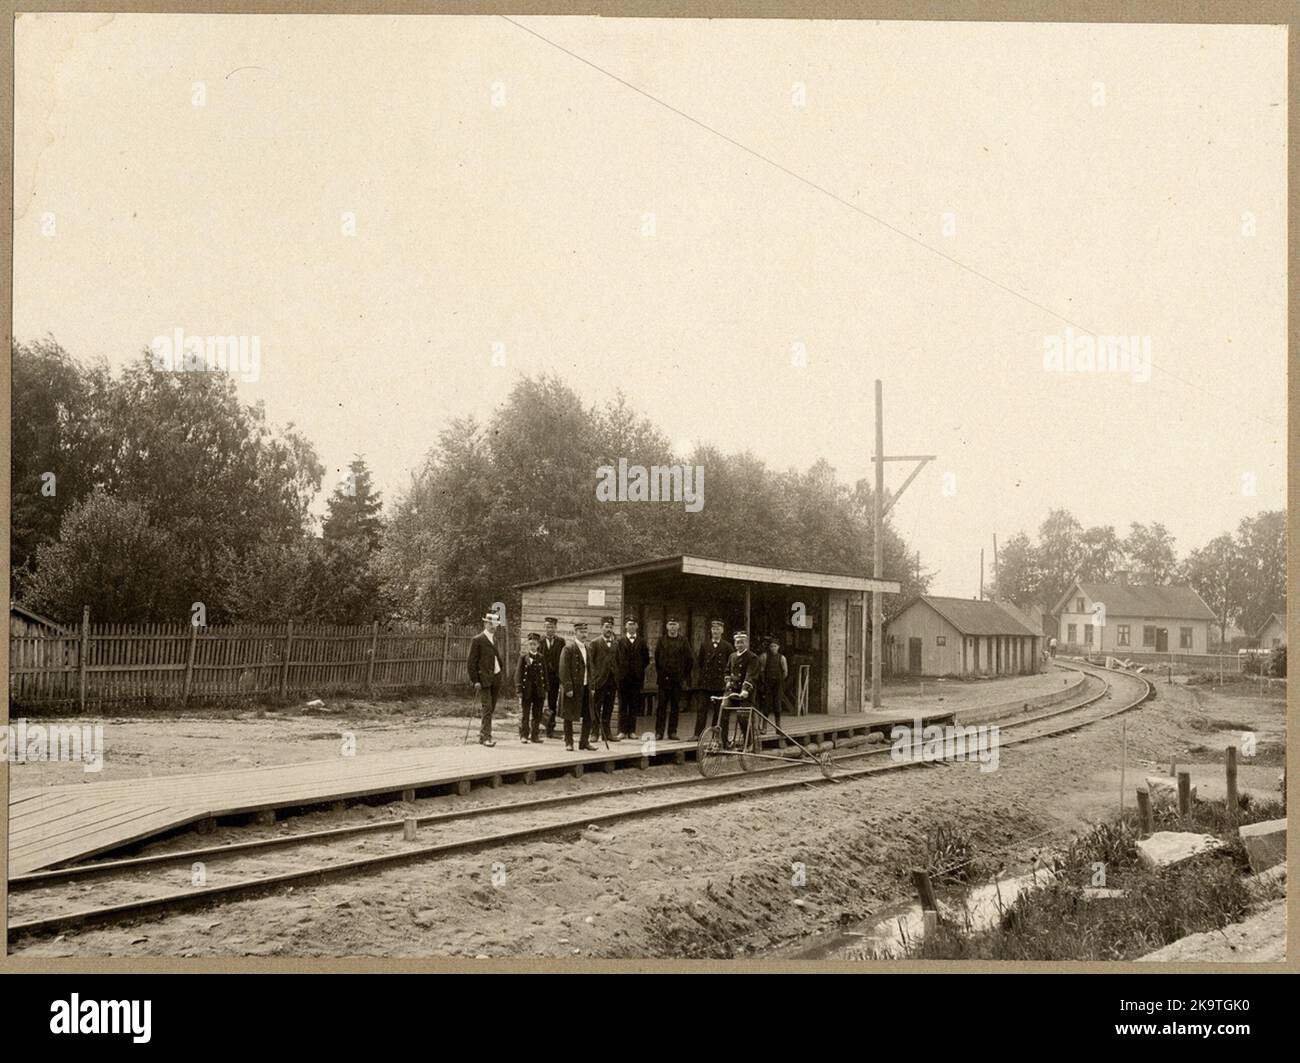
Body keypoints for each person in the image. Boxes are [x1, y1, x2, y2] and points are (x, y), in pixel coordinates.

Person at [466, 610, 506, 747]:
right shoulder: (477, 640)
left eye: (495, 624)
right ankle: (485, 737)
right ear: (485, 623)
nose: (493, 626)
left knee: (491, 708)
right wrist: (475, 680)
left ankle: (484, 734)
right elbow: (471, 662)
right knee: (487, 707)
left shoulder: (495, 639)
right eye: (490, 623)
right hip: (483, 679)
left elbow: (497, 658)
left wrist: (500, 670)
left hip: (496, 678)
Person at [653, 615, 694, 740]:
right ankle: (659, 732)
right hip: (664, 680)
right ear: (666, 627)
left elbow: (690, 659)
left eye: (674, 625)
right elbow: (657, 658)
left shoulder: (683, 641)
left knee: (675, 706)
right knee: (661, 706)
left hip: (677, 680)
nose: (672, 627)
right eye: (670, 625)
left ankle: (672, 732)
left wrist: (683, 675)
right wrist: (661, 673)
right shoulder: (661, 640)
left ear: (678, 627)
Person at [692, 618, 733, 738]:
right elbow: (700, 662)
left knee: (718, 711)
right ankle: (698, 734)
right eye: (714, 629)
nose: (716, 631)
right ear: (711, 630)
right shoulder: (705, 645)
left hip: (720, 684)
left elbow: (731, 664)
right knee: (701, 710)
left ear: (722, 630)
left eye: (718, 629)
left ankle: (717, 735)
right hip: (706, 683)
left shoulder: (727, 646)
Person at [558, 620, 595, 751]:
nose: (584, 634)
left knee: (589, 715)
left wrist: (592, 687)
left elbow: (591, 669)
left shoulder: (588, 648)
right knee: (568, 716)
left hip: (585, 687)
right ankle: (569, 742)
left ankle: (584, 742)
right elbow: (563, 669)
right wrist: (568, 688)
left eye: (586, 631)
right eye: (581, 632)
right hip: (572, 689)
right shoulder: (568, 649)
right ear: (576, 633)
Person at [722, 630, 760, 746]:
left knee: (742, 716)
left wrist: (745, 689)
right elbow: (727, 671)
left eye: (742, 642)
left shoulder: (752, 657)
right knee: (723, 711)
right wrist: (728, 681)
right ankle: (724, 742)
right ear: (734, 643)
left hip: (745, 692)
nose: (739, 645)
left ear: (746, 643)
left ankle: (748, 743)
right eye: (737, 642)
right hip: (733, 690)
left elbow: (750, 675)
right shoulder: (732, 656)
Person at [614, 616, 650, 739]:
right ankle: (622, 731)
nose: (631, 626)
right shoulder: (620, 641)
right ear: (625, 626)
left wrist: (638, 671)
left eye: (634, 624)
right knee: (623, 705)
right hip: (623, 679)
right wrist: (621, 673)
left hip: (636, 679)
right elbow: (616, 660)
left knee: (634, 705)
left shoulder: (642, 641)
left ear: (637, 626)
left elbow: (646, 659)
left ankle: (632, 731)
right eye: (629, 624)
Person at [587, 616, 619, 743]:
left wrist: (617, 675)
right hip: (599, 681)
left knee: (609, 707)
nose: (608, 629)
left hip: (612, 682)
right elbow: (590, 663)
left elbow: (619, 661)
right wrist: (593, 680)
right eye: (606, 627)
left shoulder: (617, 643)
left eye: (610, 627)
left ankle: (607, 733)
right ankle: (594, 732)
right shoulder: (594, 643)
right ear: (601, 628)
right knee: (596, 707)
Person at [515, 633, 548, 743]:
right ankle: (524, 735)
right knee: (525, 713)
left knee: (537, 713)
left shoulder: (541, 658)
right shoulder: (524, 658)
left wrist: (546, 689)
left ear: (538, 645)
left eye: (534, 644)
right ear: (528, 645)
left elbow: (545, 674)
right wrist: (519, 689)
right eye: (530, 644)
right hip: (527, 690)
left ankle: (535, 736)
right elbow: (518, 674)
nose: (532, 646)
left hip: (539, 690)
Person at [757, 635, 788, 730]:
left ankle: (778, 726)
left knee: (777, 704)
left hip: (777, 684)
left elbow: (785, 672)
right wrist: (764, 681)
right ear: (769, 647)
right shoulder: (765, 657)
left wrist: (779, 680)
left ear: (778, 647)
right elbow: (761, 670)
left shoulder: (782, 658)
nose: (773, 648)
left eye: (775, 646)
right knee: (766, 704)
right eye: (771, 646)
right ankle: (764, 726)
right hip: (767, 683)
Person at [540, 617, 564, 739]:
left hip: (554, 678)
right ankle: (537, 728)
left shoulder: (561, 642)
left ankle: (550, 729)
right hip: (542, 678)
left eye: (552, 627)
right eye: (548, 627)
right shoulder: (539, 641)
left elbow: (563, 660)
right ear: (544, 628)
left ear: (556, 628)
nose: (550, 629)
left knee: (552, 703)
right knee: (540, 702)